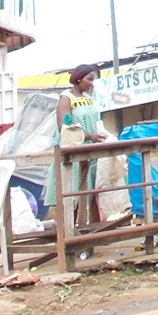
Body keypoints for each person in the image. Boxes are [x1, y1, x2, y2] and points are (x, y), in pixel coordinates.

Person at [45, 64, 107, 225]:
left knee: (93, 191)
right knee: (71, 193)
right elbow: (64, 126)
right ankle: (69, 232)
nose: (91, 83)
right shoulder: (66, 98)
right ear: (79, 78)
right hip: (73, 151)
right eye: (89, 79)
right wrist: (88, 136)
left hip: (92, 150)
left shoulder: (88, 98)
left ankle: (94, 231)